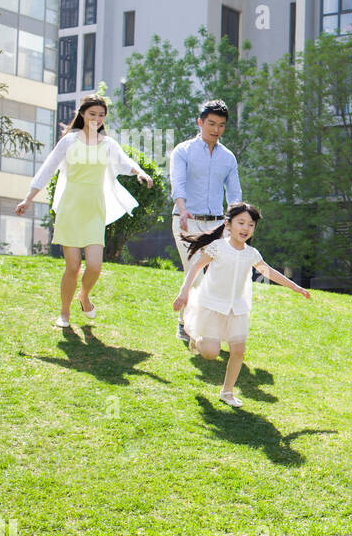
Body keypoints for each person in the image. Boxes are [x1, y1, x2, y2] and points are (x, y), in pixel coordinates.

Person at [15, 94, 153, 328]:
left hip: (94, 208)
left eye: (101, 115)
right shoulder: (69, 141)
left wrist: (139, 172)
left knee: (95, 265)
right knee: (72, 266)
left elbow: (125, 161)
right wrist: (28, 198)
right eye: (92, 114)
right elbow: (48, 168)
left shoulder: (108, 144)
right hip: (71, 207)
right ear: (82, 114)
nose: (97, 119)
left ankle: (84, 295)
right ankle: (64, 313)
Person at [173, 202, 309, 407]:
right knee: (211, 353)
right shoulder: (218, 247)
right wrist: (184, 293)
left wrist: (295, 287)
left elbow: (269, 272)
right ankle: (197, 339)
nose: (245, 228)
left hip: (237, 309)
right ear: (228, 224)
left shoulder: (251, 253)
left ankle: (227, 392)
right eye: (241, 223)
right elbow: (195, 267)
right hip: (212, 306)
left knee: (238, 351)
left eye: (251, 225)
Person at [170, 99, 241, 343]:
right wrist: (183, 208)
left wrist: (236, 224)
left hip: (217, 226)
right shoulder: (183, 151)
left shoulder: (228, 158)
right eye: (211, 123)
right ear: (200, 122)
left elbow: (234, 195)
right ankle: (187, 326)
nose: (215, 129)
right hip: (186, 221)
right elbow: (177, 184)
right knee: (196, 272)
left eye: (221, 125)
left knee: (215, 278)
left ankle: (204, 327)